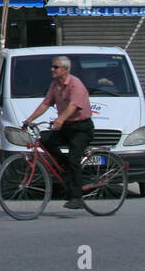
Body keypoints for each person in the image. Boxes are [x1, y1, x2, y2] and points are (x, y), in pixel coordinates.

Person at [20, 55, 94, 210]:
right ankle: (65, 168)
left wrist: (60, 119)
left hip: (81, 128)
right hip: (66, 126)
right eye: (52, 66)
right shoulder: (55, 85)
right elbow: (45, 104)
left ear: (65, 70)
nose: (52, 69)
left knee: (74, 159)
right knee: (44, 139)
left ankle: (77, 197)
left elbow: (73, 106)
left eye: (55, 67)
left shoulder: (76, 85)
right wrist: (29, 120)